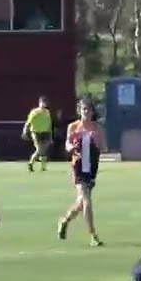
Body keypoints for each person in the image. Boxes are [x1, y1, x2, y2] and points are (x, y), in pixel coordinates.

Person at [58, 101, 105, 246]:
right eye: (84, 109)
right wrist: (71, 148)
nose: (86, 112)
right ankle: (93, 235)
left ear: (92, 112)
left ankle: (64, 221)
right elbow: (67, 144)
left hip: (91, 168)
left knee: (80, 203)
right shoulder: (73, 127)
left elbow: (103, 147)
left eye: (89, 109)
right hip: (78, 167)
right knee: (87, 200)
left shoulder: (97, 128)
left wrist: (96, 141)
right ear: (80, 111)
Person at [22, 96, 53, 172]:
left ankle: (43, 168)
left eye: (45, 102)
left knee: (43, 150)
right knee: (39, 149)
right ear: (39, 103)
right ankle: (30, 164)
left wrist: (50, 134)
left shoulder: (47, 112)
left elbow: (49, 123)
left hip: (46, 132)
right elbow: (28, 122)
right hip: (36, 132)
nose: (44, 104)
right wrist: (25, 131)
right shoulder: (35, 112)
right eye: (42, 102)